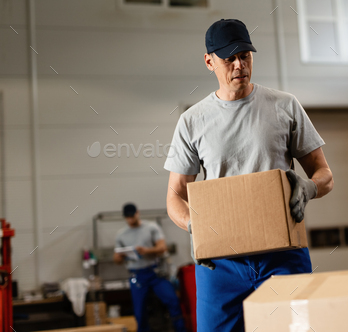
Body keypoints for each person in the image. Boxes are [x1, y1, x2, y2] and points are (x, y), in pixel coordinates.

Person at [164, 18, 333, 332]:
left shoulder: (285, 106)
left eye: (245, 56)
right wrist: (195, 227)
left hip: (283, 256)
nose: (239, 65)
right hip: (220, 263)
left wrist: (308, 189)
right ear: (209, 61)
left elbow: (325, 174)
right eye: (229, 59)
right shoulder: (193, 121)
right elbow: (175, 195)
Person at [114, 203, 187, 332]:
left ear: (137, 213)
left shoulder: (151, 228)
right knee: (140, 311)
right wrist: (122, 256)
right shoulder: (121, 235)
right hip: (137, 276)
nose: (130, 219)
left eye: (132, 216)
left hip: (155, 274)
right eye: (127, 217)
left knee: (173, 301)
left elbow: (162, 248)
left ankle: (180, 329)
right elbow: (116, 259)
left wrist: (146, 251)